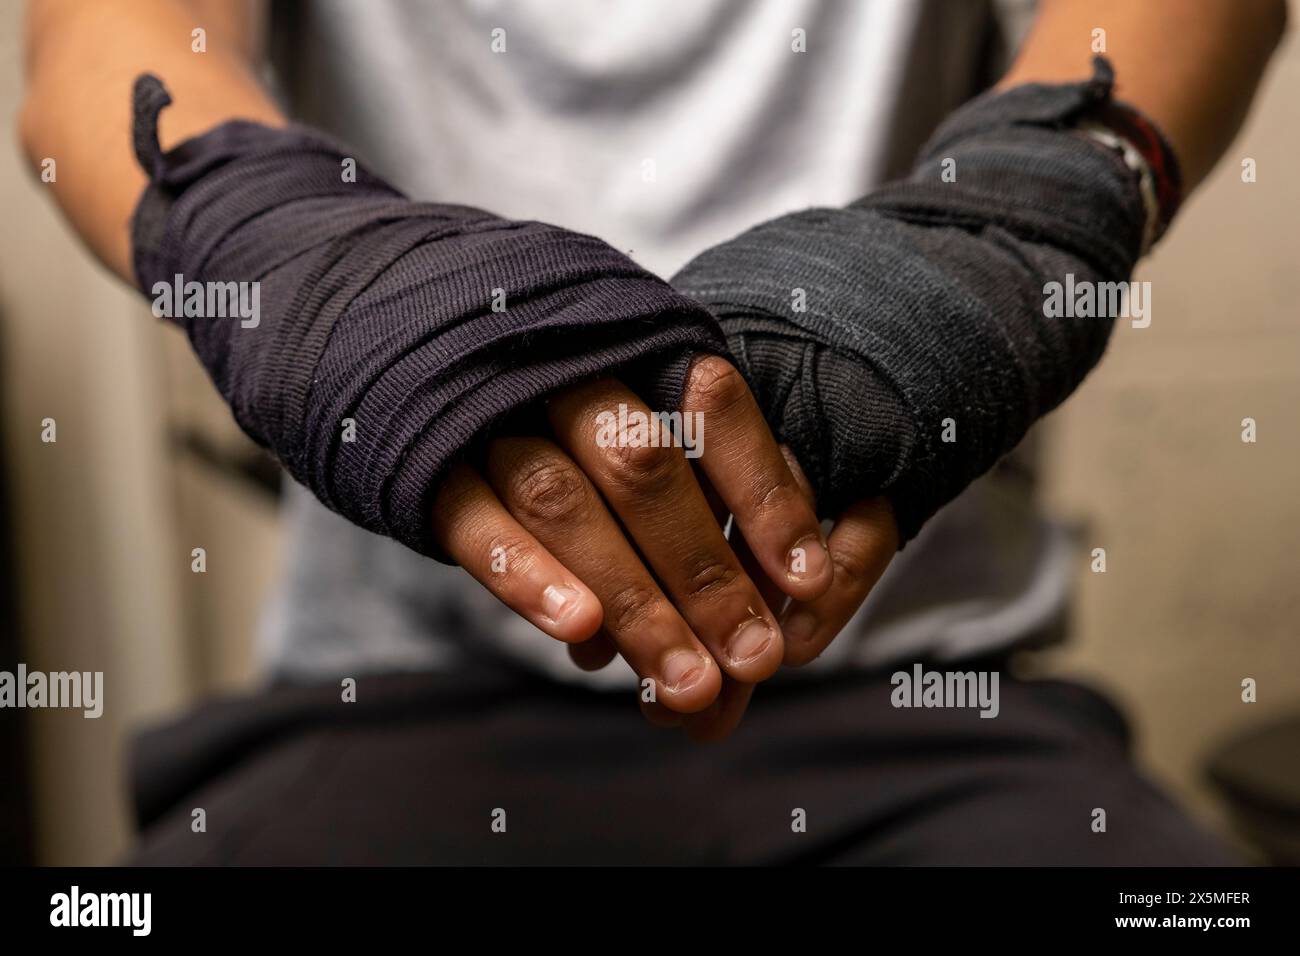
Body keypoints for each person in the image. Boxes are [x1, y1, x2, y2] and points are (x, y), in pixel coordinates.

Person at [20, 0, 1287, 864]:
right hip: (391, 694)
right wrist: (308, 262)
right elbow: (100, 45)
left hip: (934, 696)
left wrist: (994, 238)